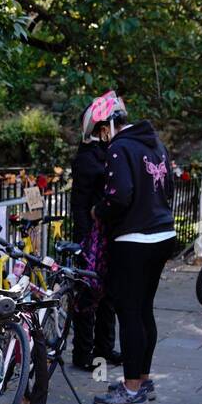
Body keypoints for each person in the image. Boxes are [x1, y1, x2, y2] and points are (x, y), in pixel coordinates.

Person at [90, 95, 176, 404]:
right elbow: (168, 189)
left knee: (128, 313)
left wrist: (99, 211)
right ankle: (142, 378)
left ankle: (130, 388)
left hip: (134, 239)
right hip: (163, 233)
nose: (102, 137)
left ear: (109, 125)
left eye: (101, 131)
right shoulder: (156, 144)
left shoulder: (120, 148)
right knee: (144, 309)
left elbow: (119, 196)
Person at [68, 93, 120, 371]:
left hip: (108, 236)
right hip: (92, 240)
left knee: (108, 295)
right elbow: (79, 204)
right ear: (100, 128)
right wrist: (83, 242)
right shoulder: (88, 159)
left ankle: (104, 349)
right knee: (88, 296)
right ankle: (83, 353)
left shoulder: (110, 153)